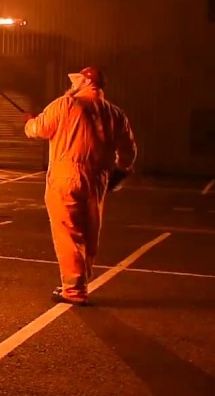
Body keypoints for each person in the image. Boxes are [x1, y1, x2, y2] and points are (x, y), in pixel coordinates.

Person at [23, 66, 137, 306]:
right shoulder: (115, 114)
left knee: (68, 233)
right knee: (89, 232)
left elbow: (39, 130)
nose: (73, 85)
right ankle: (79, 283)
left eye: (77, 81)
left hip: (66, 176)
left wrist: (30, 122)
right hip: (97, 180)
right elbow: (128, 152)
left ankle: (74, 291)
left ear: (86, 82)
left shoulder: (65, 104)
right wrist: (120, 170)